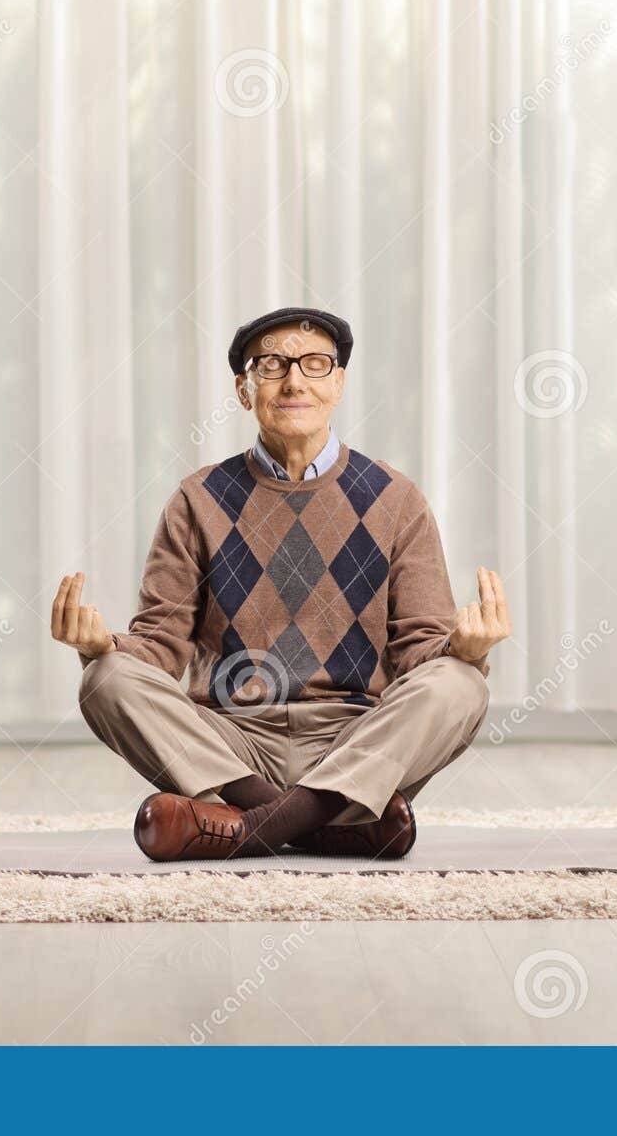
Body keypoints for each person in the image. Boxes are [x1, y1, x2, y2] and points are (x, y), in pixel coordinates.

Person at [54, 306, 511, 861]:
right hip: (232, 743)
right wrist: (101, 647)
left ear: (338, 384)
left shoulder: (396, 498)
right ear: (244, 390)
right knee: (105, 678)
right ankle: (328, 824)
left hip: (353, 742)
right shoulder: (197, 500)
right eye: (271, 365)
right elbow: (159, 647)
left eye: (315, 364)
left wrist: (463, 650)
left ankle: (247, 827)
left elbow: (420, 652)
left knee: (461, 683)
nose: (294, 380)